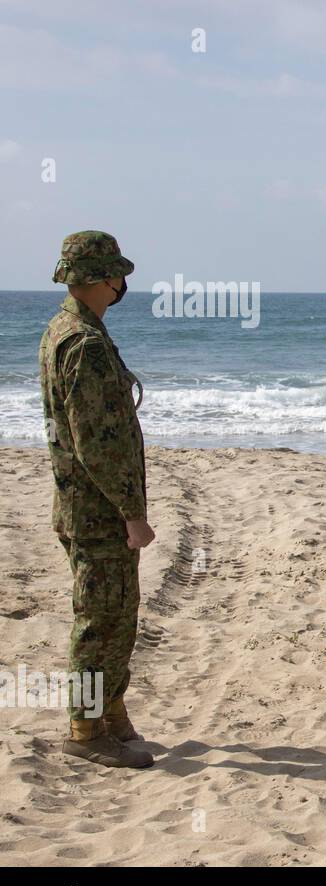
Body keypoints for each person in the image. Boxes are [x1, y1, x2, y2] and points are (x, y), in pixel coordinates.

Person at [39, 230, 155, 769]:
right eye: (118, 274)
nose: (123, 284)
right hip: (97, 510)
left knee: (117, 614)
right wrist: (132, 514)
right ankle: (85, 731)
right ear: (102, 278)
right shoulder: (81, 342)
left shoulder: (72, 330)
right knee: (100, 620)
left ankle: (109, 711)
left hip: (89, 505)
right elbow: (97, 444)